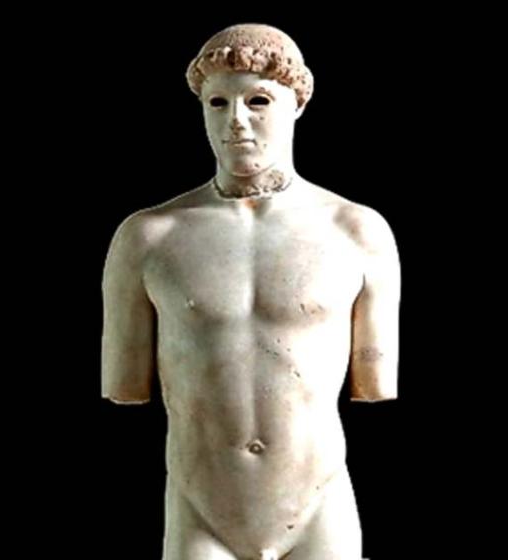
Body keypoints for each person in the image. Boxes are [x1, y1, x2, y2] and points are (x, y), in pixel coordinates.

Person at [101, 23, 400, 560]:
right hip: (201, 510)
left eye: (258, 100)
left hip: (318, 509)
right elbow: (126, 383)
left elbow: (373, 382)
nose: (236, 120)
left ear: (297, 104)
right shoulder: (148, 238)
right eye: (217, 102)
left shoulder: (356, 232)